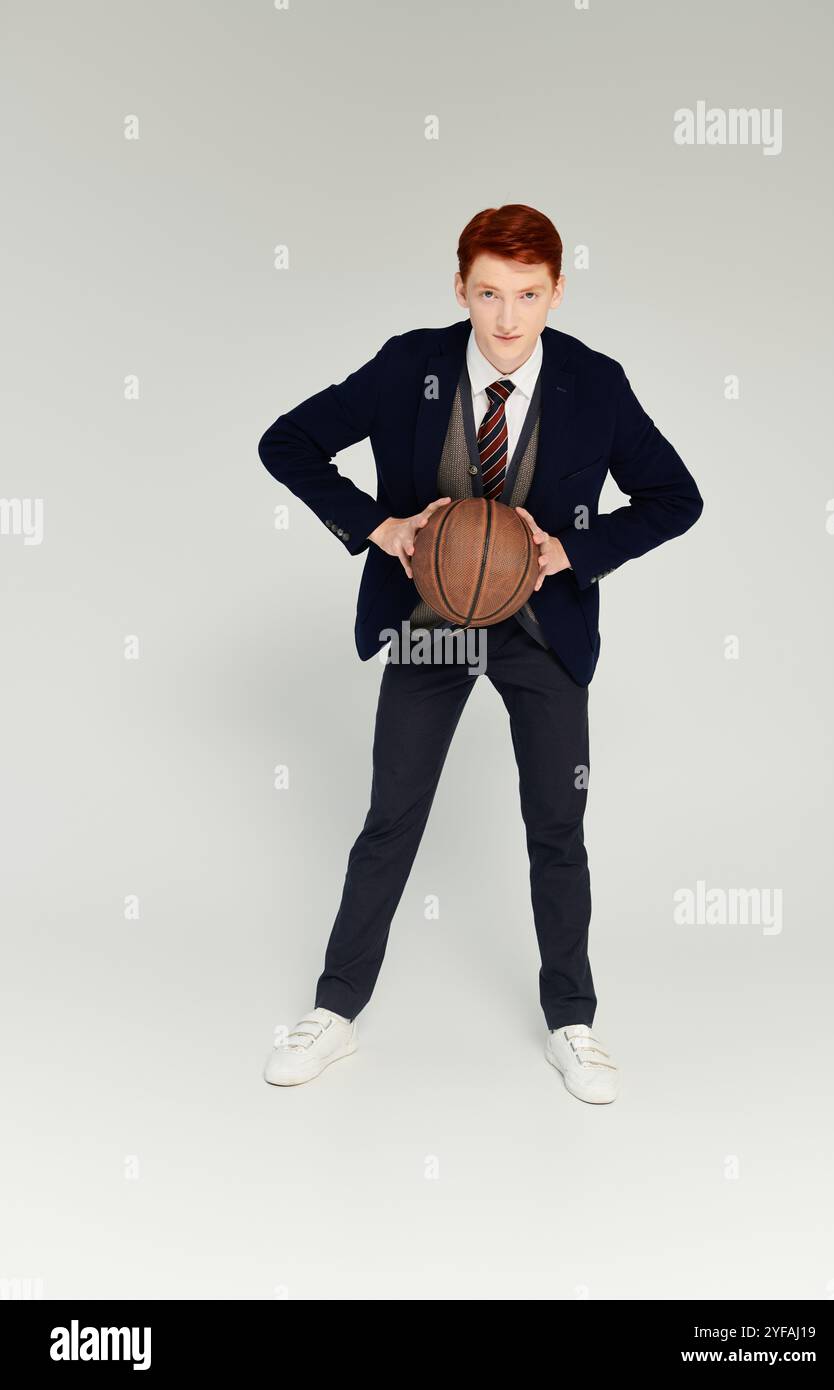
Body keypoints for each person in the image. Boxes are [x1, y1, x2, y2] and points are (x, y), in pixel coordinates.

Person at [257, 204, 703, 1103]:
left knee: (557, 826)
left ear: (557, 293)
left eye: (528, 295)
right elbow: (287, 441)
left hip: (544, 630)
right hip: (432, 619)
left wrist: (573, 550)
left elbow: (675, 497)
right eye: (489, 293)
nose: (507, 319)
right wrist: (379, 527)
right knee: (392, 817)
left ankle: (572, 1020)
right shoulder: (407, 366)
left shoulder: (595, 383)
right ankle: (335, 1013)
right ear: (460, 287)